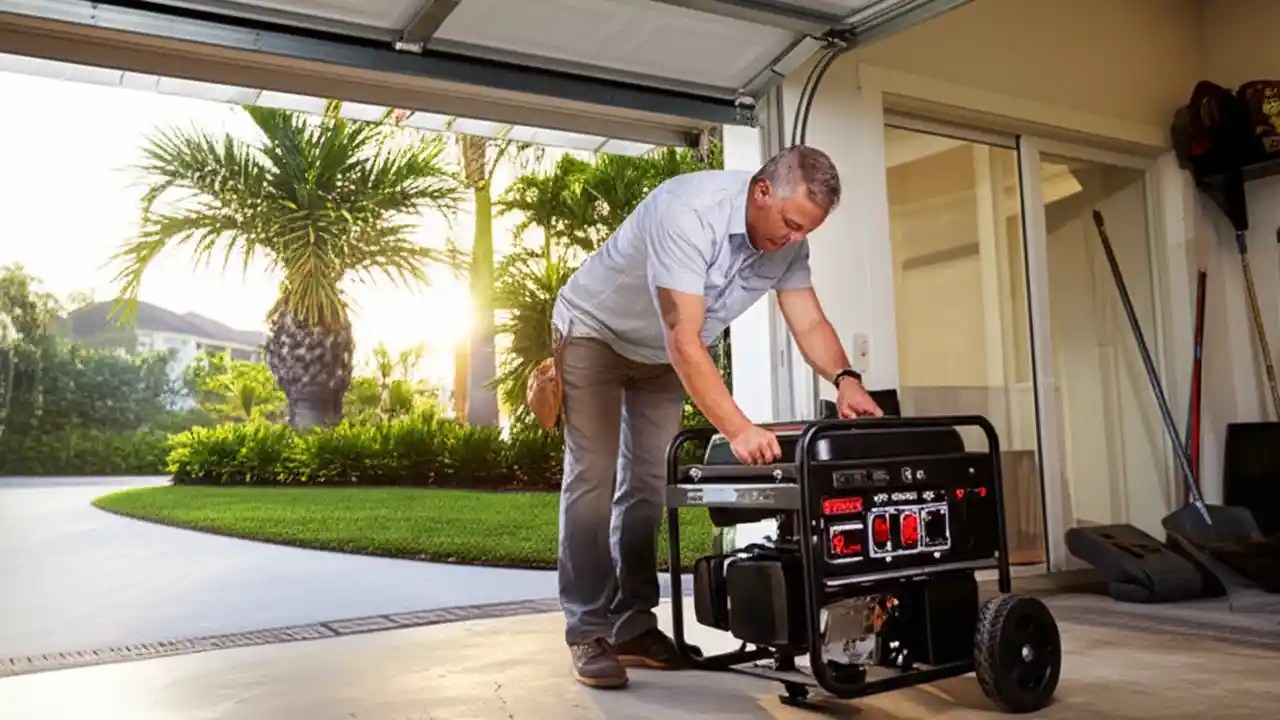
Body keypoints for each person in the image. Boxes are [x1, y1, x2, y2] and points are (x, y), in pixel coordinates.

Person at [550, 145, 883, 689]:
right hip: (595, 332)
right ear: (761, 192)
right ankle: (587, 627)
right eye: (792, 224)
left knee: (648, 484)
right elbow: (685, 340)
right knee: (594, 473)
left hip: (662, 354)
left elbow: (809, 321)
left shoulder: (788, 244)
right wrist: (738, 429)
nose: (795, 240)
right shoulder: (689, 211)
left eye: (807, 232)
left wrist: (846, 379)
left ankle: (632, 623)